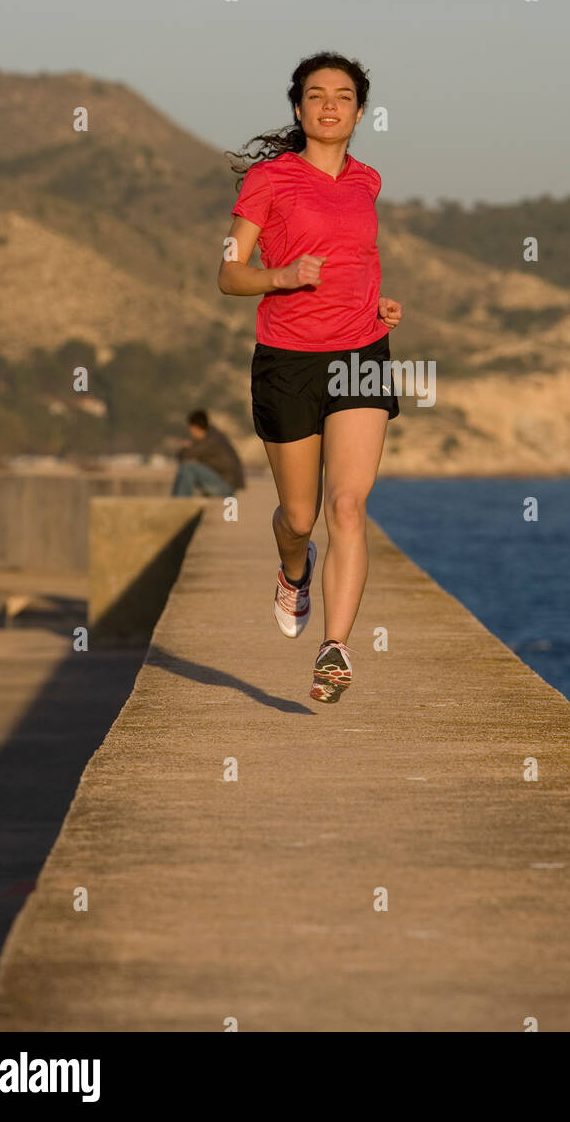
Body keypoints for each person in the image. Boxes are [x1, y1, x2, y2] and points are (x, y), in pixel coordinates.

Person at [219, 51, 402, 704]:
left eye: (344, 95)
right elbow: (228, 272)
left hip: (360, 353)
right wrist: (283, 276)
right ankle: (293, 569)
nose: (330, 104)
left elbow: (362, 255)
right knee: (299, 516)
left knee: (347, 505)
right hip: (287, 361)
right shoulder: (270, 180)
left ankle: (335, 648)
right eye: (317, 94)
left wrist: (378, 302)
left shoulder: (368, 180)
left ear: (360, 110)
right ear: (298, 109)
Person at [172, 409, 245, 497]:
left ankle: (179, 502)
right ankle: (176, 499)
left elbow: (183, 456)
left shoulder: (211, 440)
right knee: (185, 467)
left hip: (227, 488)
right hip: (225, 483)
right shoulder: (212, 435)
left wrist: (184, 447)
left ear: (194, 428)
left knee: (188, 468)